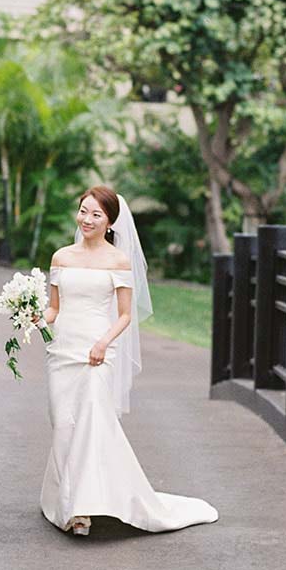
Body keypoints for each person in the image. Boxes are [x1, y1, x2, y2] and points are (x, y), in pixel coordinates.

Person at [38, 184, 219, 536]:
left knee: (88, 423)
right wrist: (32, 316)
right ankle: (64, 496)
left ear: (109, 222)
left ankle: (78, 511)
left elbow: (124, 315)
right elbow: (55, 308)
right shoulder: (61, 257)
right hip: (63, 350)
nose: (87, 219)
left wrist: (103, 343)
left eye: (96, 214)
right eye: (83, 211)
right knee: (62, 424)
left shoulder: (117, 261)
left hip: (97, 352)